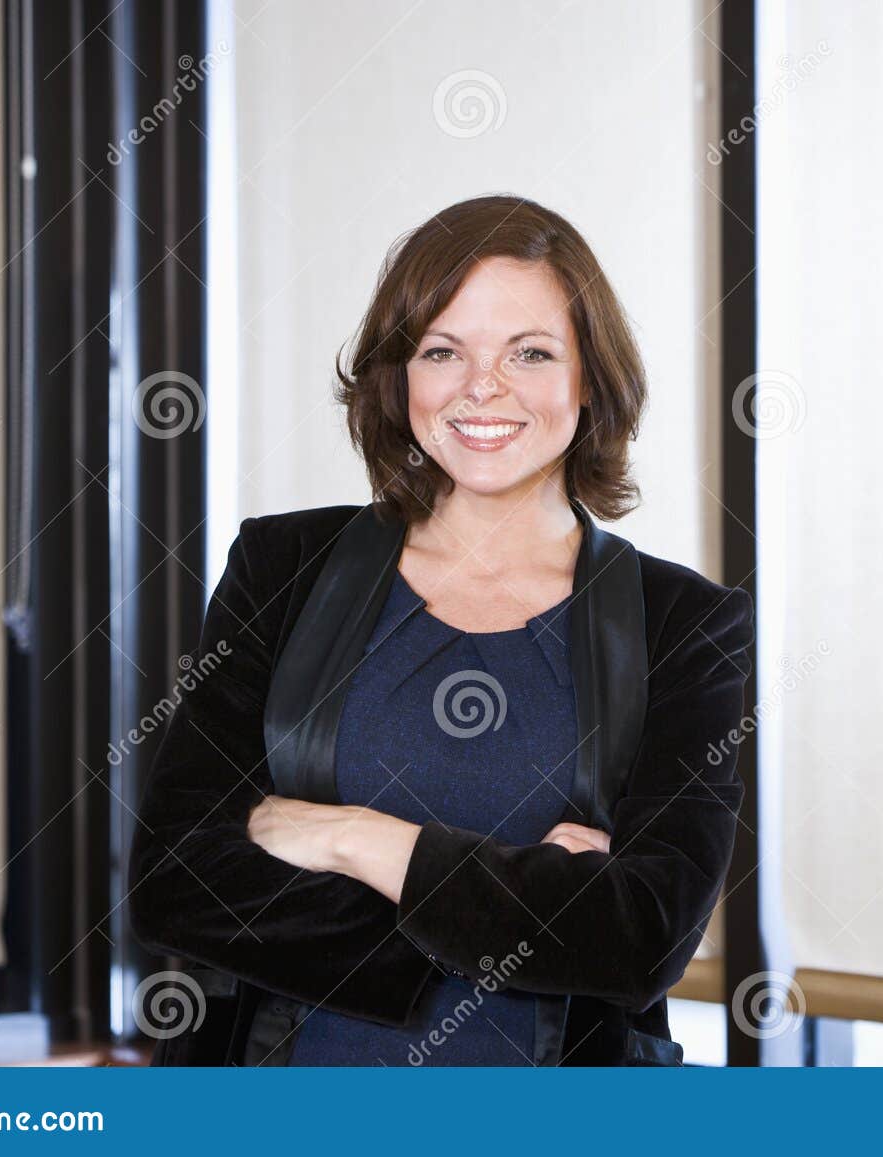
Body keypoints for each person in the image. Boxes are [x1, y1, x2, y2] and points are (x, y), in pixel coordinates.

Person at [128, 195, 755, 1066]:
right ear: (401, 378)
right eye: (442, 350)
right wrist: (530, 904)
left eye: (530, 352)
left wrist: (353, 838)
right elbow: (175, 882)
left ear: (589, 378)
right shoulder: (283, 569)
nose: (482, 387)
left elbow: (641, 940)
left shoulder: (685, 625)